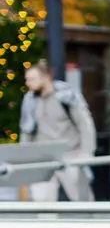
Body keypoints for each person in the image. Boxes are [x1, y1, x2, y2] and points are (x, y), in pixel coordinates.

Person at [19, 61, 98, 201]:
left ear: (45, 78)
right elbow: (26, 130)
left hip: (71, 155)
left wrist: (86, 152)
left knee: (84, 200)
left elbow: (84, 124)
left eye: (31, 79)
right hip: (42, 159)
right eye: (27, 79)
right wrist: (24, 159)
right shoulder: (30, 100)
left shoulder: (67, 96)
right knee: (42, 203)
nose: (28, 83)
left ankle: (90, 223)